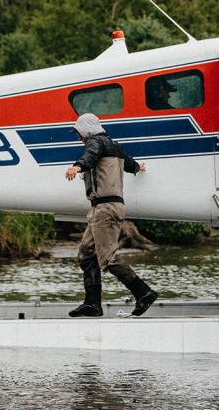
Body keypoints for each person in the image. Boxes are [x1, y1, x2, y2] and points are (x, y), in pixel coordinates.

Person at [64, 113, 159, 317]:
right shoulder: (115, 146)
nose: (79, 138)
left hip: (105, 209)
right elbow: (130, 164)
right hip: (104, 208)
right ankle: (92, 304)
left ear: (87, 131)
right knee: (87, 254)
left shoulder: (95, 142)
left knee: (107, 259)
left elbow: (88, 158)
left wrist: (76, 166)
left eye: (79, 133)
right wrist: (138, 168)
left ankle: (143, 293)